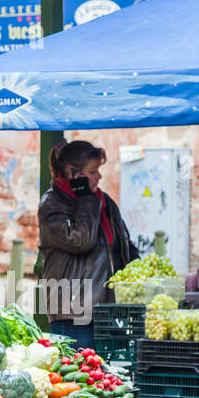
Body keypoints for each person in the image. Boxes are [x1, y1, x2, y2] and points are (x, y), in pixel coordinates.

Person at [37, 139, 137, 349]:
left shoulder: (103, 201)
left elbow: (124, 244)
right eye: (93, 171)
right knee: (79, 377)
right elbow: (80, 240)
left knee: (109, 378)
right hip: (73, 312)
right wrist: (86, 200)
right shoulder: (53, 204)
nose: (99, 176)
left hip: (108, 310)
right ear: (75, 174)